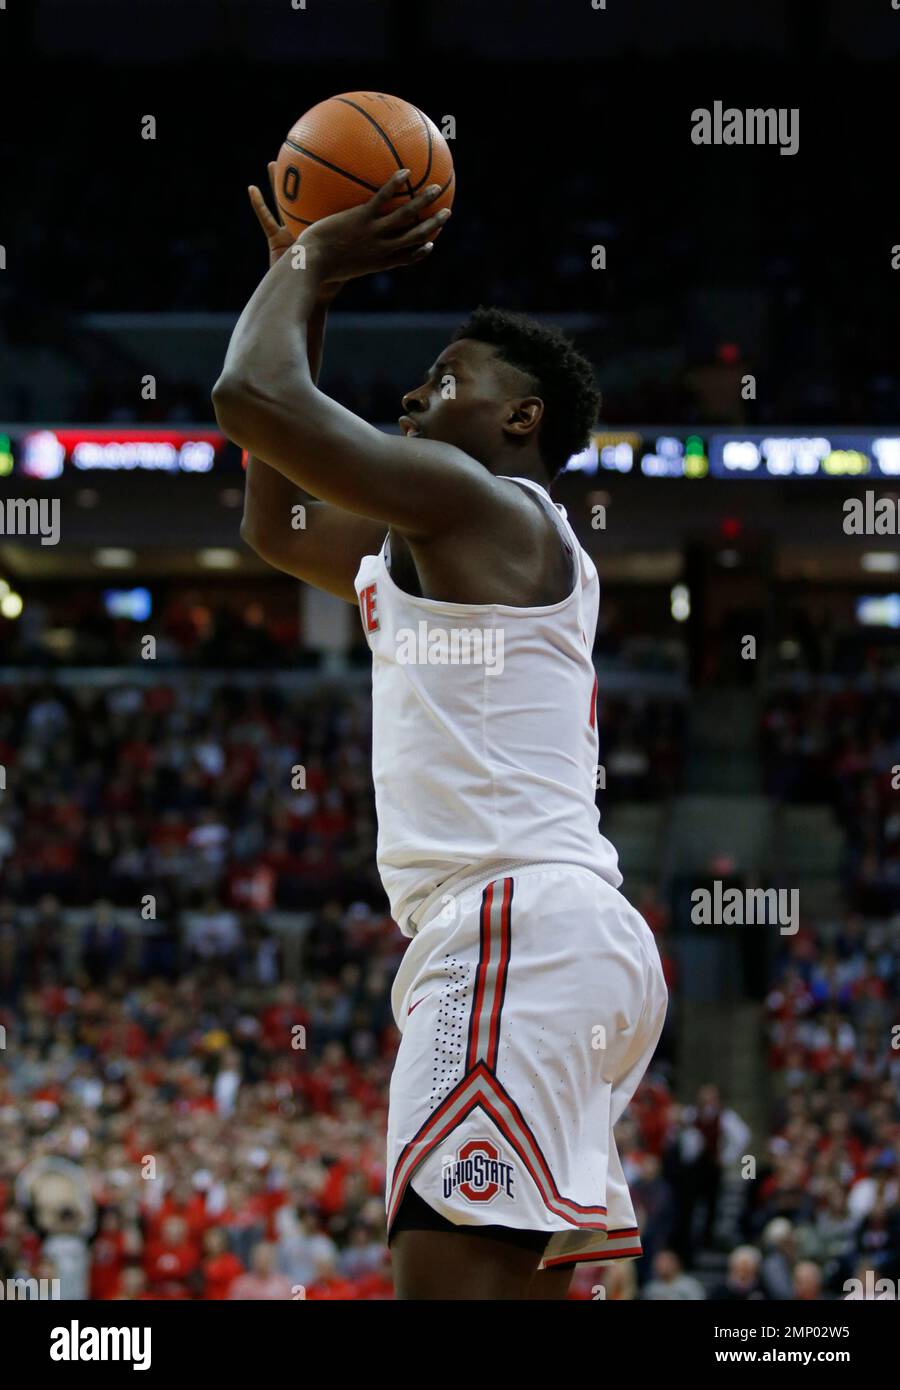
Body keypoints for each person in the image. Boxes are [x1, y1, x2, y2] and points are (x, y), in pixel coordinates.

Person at [212, 167, 668, 1300]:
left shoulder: (491, 510)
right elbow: (280, 518)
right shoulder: (451, 544)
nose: (414, 398)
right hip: (557, 943)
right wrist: (302, 293)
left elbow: (248, 397)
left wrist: (307, 261)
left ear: (521, 418)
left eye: (443, 379)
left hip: (516, 928)